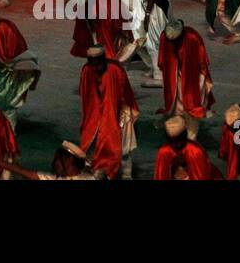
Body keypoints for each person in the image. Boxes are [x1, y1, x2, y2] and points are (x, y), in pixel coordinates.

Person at [78, 44, 139, 179]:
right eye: (92, 64)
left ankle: (126, 174)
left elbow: (127, 93)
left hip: (120, 113)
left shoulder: (116, 70)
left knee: (123, 148)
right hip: (95, 116)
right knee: (92, 144)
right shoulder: (86, 71)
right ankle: (99, 169)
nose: (95, 68)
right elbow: (86, 98)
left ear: (103, 59)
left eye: (97, 63)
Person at [156, 18, 213, 140]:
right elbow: (162, 60)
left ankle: (191, 138)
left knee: (192, 107)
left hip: (193, 79)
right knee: (176, 107)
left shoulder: (193, 37)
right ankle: (178, 134)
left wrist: (204, 79)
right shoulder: (164, 38)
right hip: (174, 78)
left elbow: (203, 62)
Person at [152, 115, 220, 180]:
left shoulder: (195, 151)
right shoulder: (164, 152)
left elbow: (201, 177)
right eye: (173, 141)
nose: (176, 144)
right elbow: (160, 177)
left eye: (178, 140)